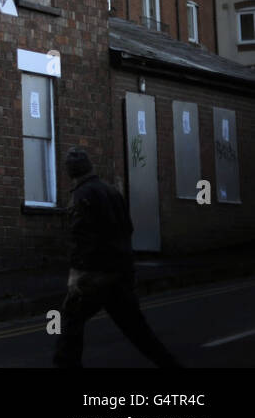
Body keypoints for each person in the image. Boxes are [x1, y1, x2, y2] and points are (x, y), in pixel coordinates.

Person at [53, 146, 181, 368]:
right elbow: (128, 229)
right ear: (90, 167)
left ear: (70, 172)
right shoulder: (111, 191)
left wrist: (76, 275)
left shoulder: (81, 196)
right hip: (120, 271)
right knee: (137, 329)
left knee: (72, 320)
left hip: (95, 275)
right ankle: (170, 364)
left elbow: (81, 239)